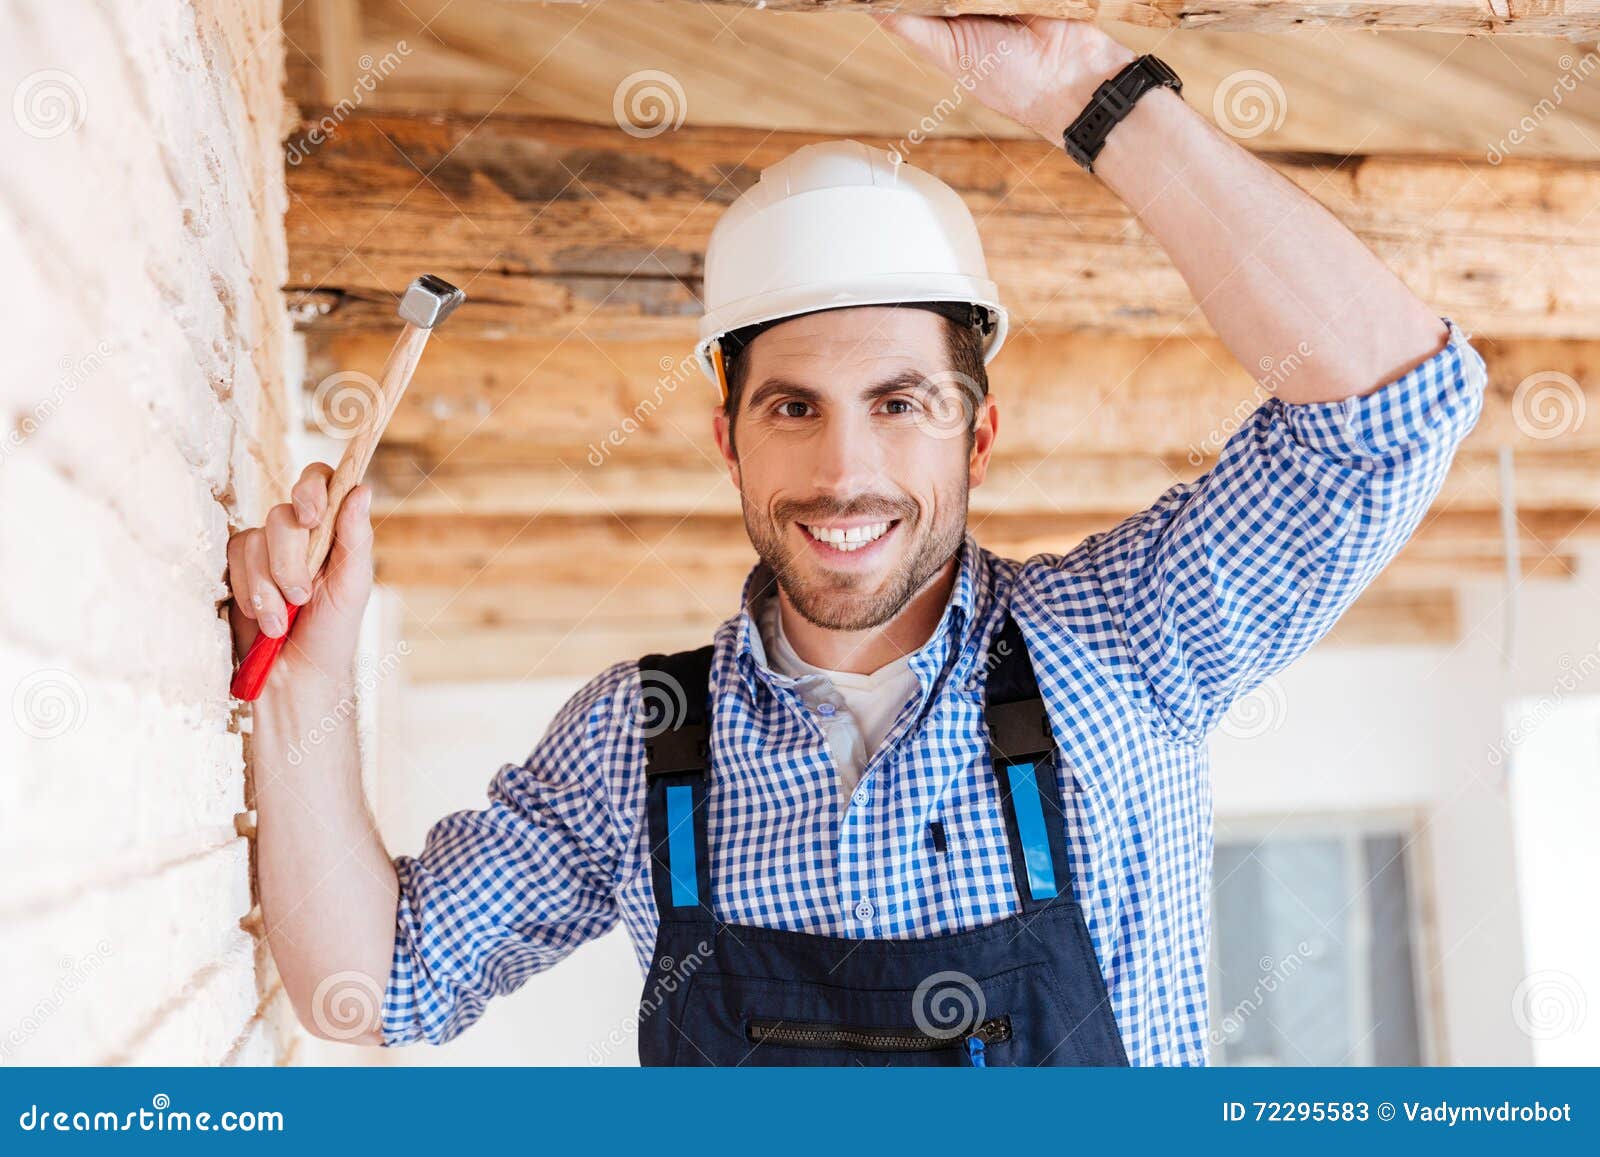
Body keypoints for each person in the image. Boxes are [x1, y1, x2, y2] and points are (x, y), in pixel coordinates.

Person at [227, 15, 1485, 1065]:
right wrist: (312, 678)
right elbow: (370, 985)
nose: (844, 472)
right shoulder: (638, 745)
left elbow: (1390, 409)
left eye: (898, 403)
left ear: (976, 434)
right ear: (728, 438)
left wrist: (1090, 93)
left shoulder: (1123, 645)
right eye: (792, 408)